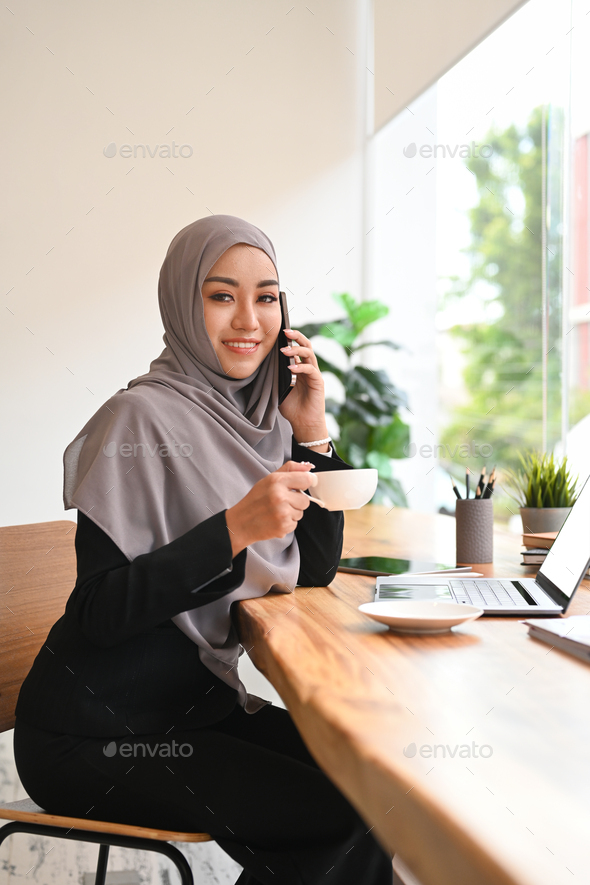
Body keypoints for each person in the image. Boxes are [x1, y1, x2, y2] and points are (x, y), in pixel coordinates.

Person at [13, 215, 393, 885]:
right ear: (184, 304)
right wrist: (232, 529)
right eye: (221, 295)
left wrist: (310, 430)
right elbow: (100, 611)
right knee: (339, 813)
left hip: (194, 709)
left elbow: (316, 565)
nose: (249, 318)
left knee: (379, 787)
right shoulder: (137, 419)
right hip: (93, 733)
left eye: (267, 296)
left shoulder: (263, 425)